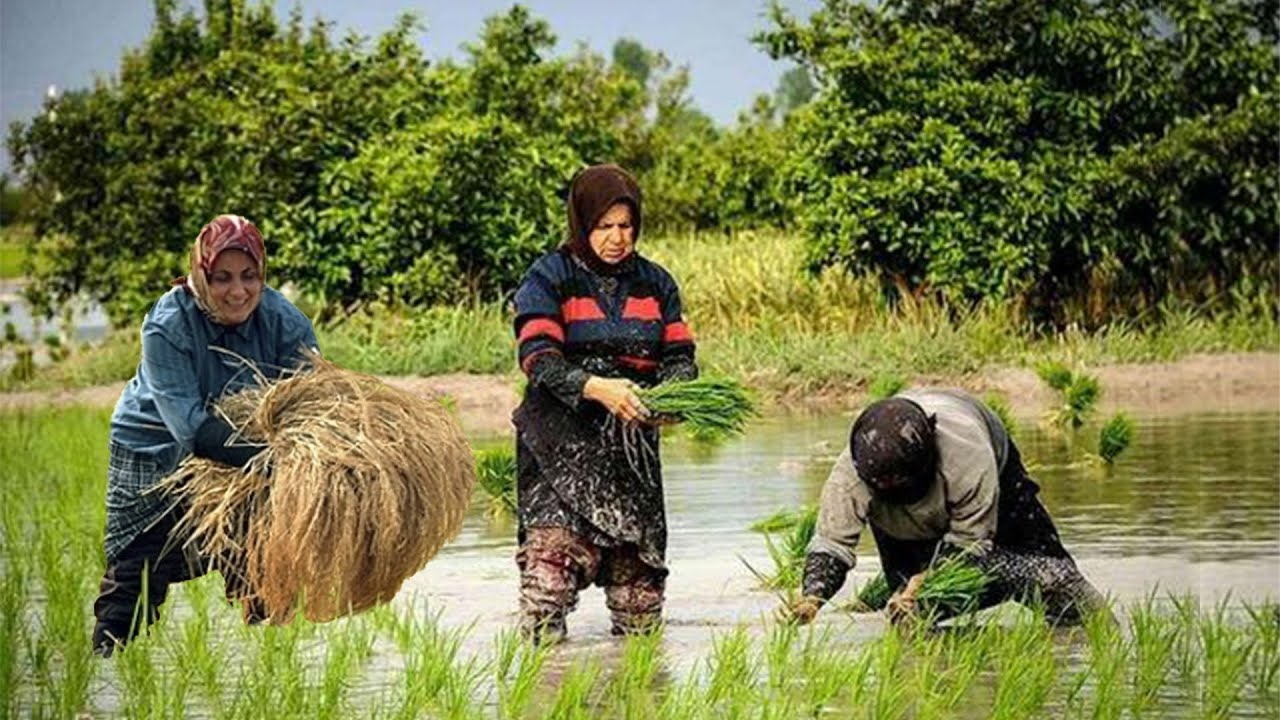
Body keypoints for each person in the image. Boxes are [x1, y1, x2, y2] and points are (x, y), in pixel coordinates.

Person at [92, 214, 319, 656]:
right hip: (156, 448)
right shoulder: (168, 324)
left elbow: (313, 402)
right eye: (222, 278)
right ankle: (104, 666)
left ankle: (270, 667)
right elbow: (191, 428)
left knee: (265, 565)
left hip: (247, 445)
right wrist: (276, 462)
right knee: (135, 578)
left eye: (249, 276)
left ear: (262, 274)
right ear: (200, 274)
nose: (238, 292)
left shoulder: (284, 323)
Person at [510, 164, 698, 643]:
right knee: (546, 595)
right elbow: (538, 358)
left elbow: (679, 356)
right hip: (559, 449)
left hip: (629, 454)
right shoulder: (550, 277)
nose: (617, 238)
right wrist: (597, 388)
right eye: (605, 227)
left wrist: (669, 399)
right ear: (583, 224)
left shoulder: (656, 284)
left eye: (626, 226)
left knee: (640, 612)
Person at [782, 389, 1105, 626]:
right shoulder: (850, 478)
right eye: (885, 485)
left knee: (1056, 578)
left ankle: (1079, 632)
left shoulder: (967, 456)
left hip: (989, 478)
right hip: (898, 526)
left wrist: (931, 575)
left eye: (903, 483)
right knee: (909, 615)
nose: (897, 489)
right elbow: (832, 544)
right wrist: (812, 598)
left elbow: (971, 545)